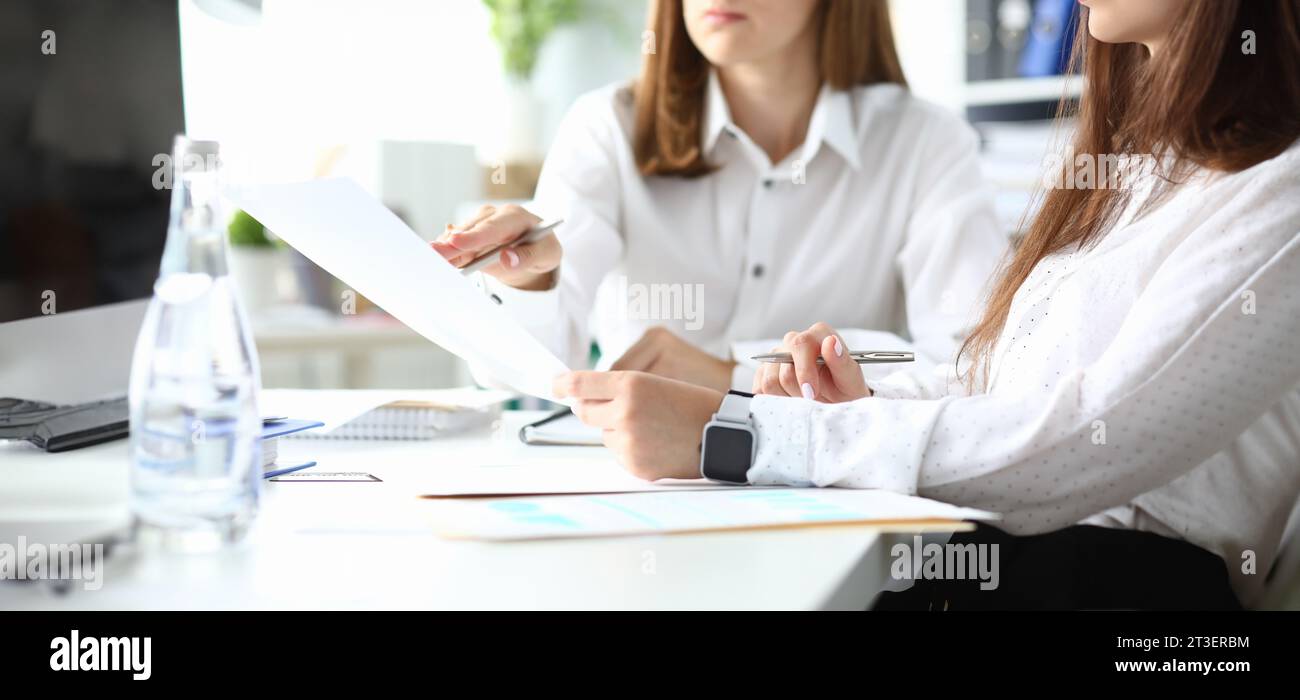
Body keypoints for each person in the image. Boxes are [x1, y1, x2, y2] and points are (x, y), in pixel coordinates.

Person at [554, 0, 1300, 609]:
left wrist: (747, 435)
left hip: (1121, 590)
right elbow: (992, 383)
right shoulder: (1139, 172)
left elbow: (1086, 437)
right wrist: (849, 403)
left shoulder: (1280, 190)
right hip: (1011, 549)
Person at [433, 0, 1005, 393]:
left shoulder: (926, 143)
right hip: (638, 495)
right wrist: (530, 279)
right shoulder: (605, 127)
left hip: (824, 493)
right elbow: (525, 370)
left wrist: (730, 371)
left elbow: (975, 364)